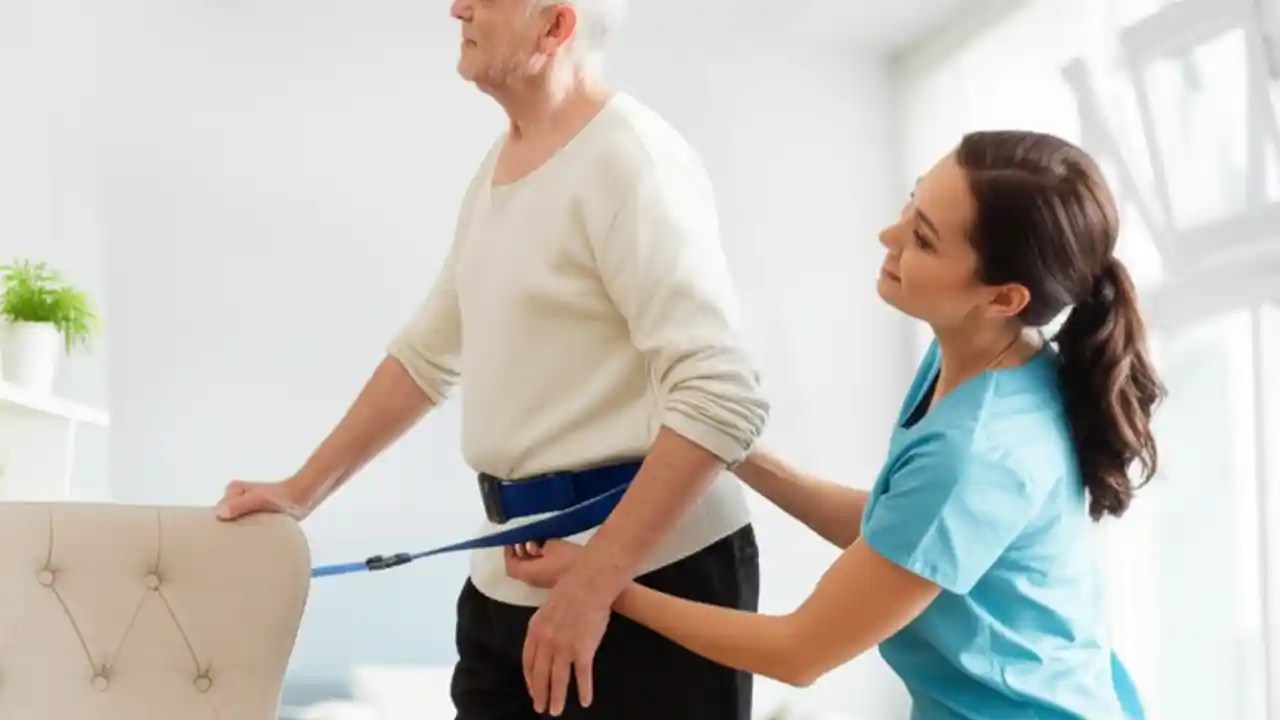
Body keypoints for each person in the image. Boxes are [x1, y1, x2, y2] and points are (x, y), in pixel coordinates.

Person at [214, 1, 769, 718]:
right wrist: (301, 490)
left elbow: (724, 395)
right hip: (510, 582)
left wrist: (595, 585)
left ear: (555, 27)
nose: (458, 7)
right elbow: (426, 356)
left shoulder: (632, 159)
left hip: (649, 581)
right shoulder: (504, 165)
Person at [508, 130, 1167, 719]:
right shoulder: (980, 357)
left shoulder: (979, 451)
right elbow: (901, 533)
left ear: (1002, 298)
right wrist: (733, 446)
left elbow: (799, 652)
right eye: (913, 204)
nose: (891, 234)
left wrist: (600, 585)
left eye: (924, 237)